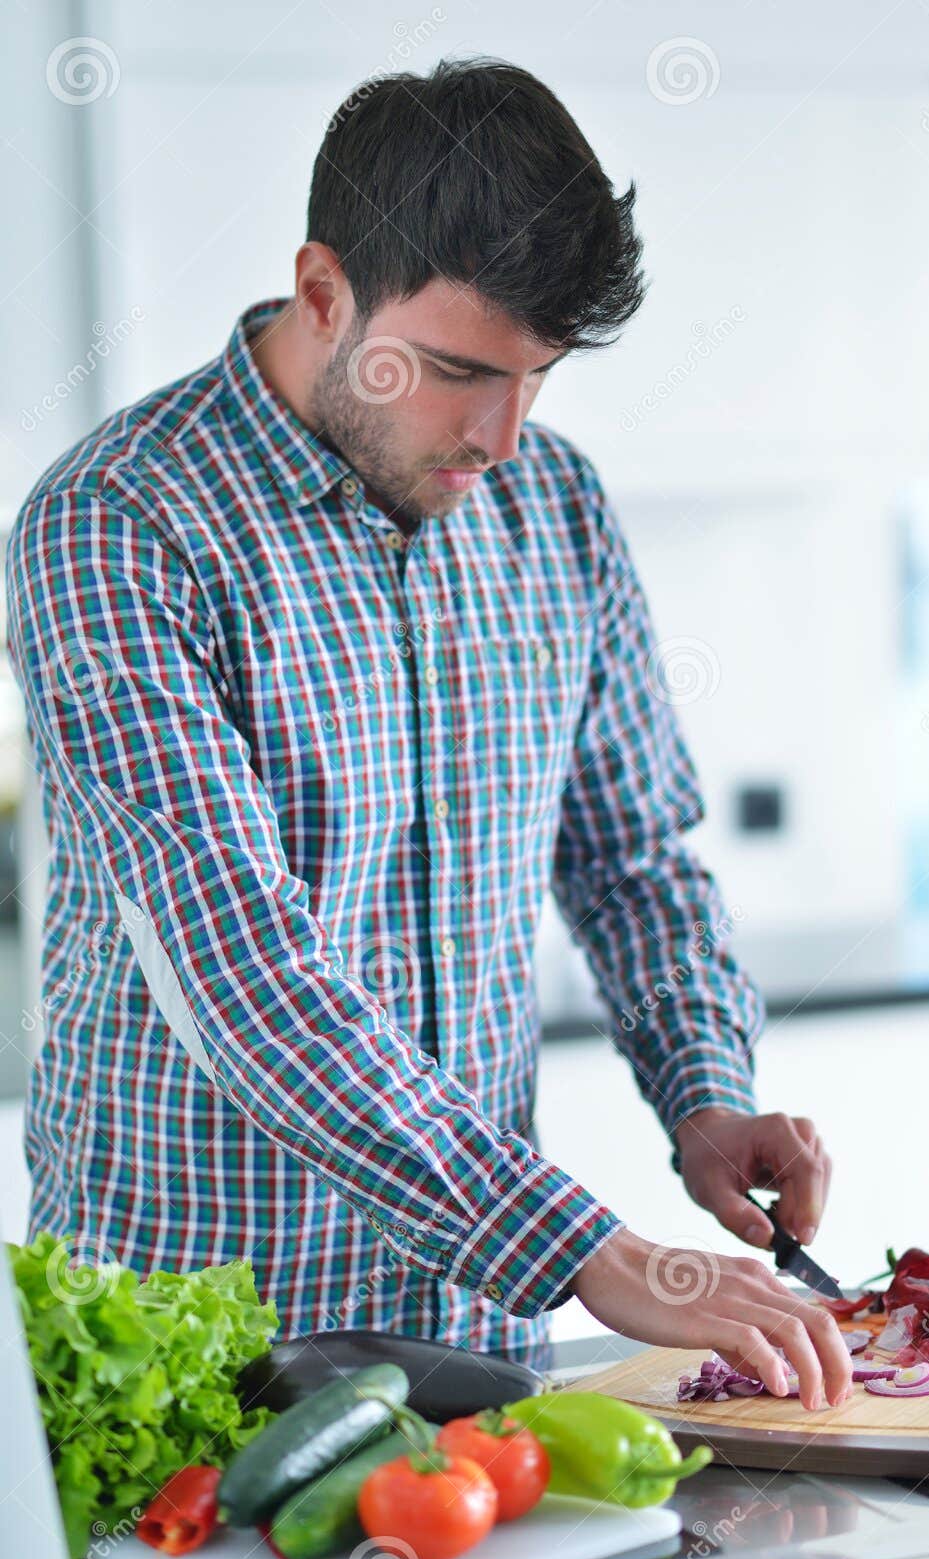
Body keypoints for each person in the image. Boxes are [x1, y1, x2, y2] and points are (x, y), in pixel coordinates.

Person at [5, 57, 850, 1412]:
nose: (504, 436)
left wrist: (706, 1090)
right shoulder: (116, 525)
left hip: (473, 1358)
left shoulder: (553, 507)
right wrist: (590, 1247)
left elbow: (631, 853)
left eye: (538, 378)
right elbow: (242, 970)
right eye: (461, 372)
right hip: (194, 1363)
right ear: (326, 291)